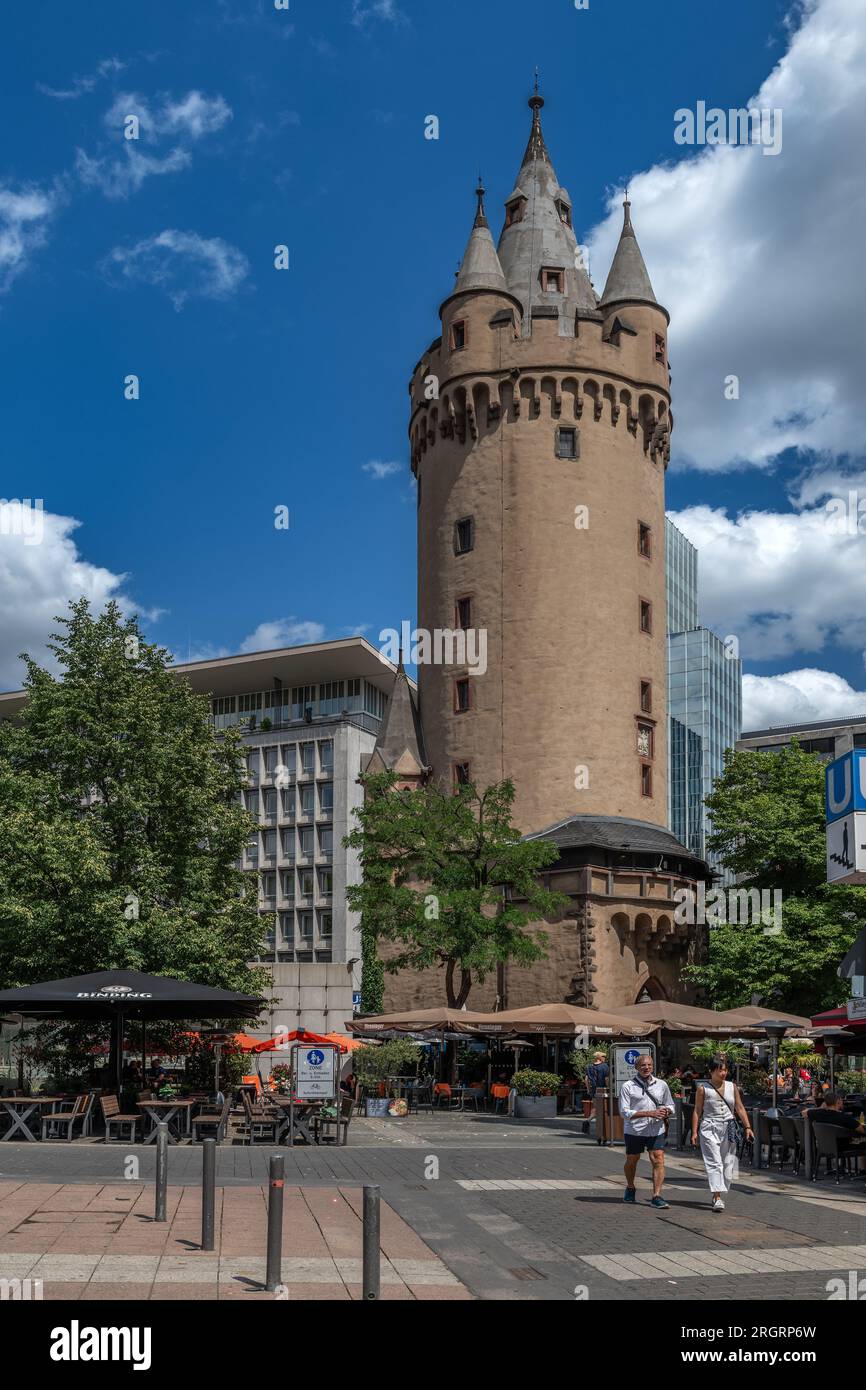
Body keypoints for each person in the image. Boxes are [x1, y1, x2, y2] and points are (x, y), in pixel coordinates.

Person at [690, 1056, 754, 1211]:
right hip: (709, 1127)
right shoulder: (703, 1089)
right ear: (711, 1071)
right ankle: (717, 1197)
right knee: (715, 1162)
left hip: (729, 1127)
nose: (723, 1073)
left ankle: (718, 1193)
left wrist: (747, 1127)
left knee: (728, 1162)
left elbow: (739, 1107)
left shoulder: (732, 1087)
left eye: (725, 1070)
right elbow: (697, 1110)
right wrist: (694, 1131)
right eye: (720, 1070)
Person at [619, 1053, 675, 1209]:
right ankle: (630, 1187)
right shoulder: (627, 1087)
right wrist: (649, 1113)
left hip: (656, 1129)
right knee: (632, 1160)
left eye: (649, 1065)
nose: (646, 1068)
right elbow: (624, 1112)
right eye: (643, 1065)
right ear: (637, 1067)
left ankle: (656, 1196)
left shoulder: (662, 1085)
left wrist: (667, 1111)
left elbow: (670, 1105)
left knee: (658, 1158)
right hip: (634, 1131)